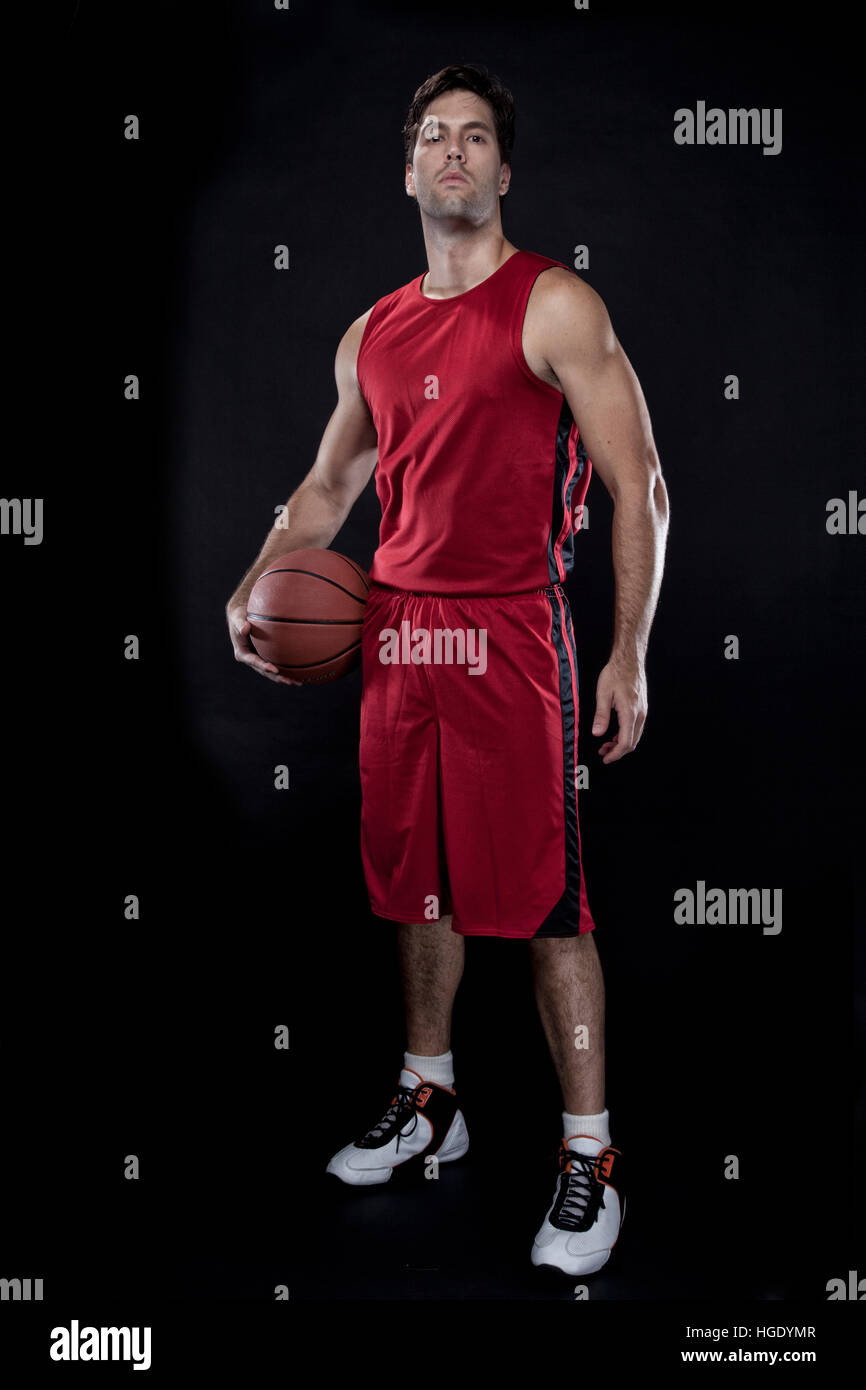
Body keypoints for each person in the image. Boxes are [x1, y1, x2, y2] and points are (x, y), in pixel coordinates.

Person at [226, 62, 669, 1278]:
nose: (454, 154)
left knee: (543, 905)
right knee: (411, 886)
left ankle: (590, 1154)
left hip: (515, 641)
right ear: (409, 165)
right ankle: (431, 1097)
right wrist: (255, 582)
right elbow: (329, 486)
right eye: (435, 136)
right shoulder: (371, 329)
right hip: (396, 641)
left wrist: (626, 647)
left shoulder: (556, 306)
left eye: (476, 137)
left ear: (504, 169)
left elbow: (642, 484)